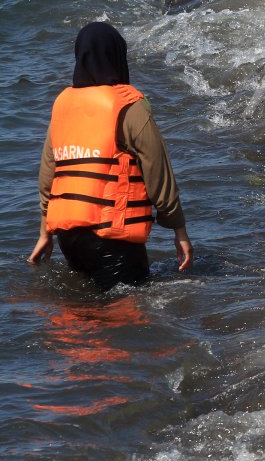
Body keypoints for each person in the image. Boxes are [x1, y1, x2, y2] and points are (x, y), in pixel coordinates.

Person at [28, 22, 192, 291]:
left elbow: (49, 174)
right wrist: (179, 230)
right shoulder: (130, 107)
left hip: (69, 239)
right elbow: (157, 171)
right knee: (127, 319)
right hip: (113, 238)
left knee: (81, 320)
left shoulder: (63, 106)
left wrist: (45, 232)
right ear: (118, 56)